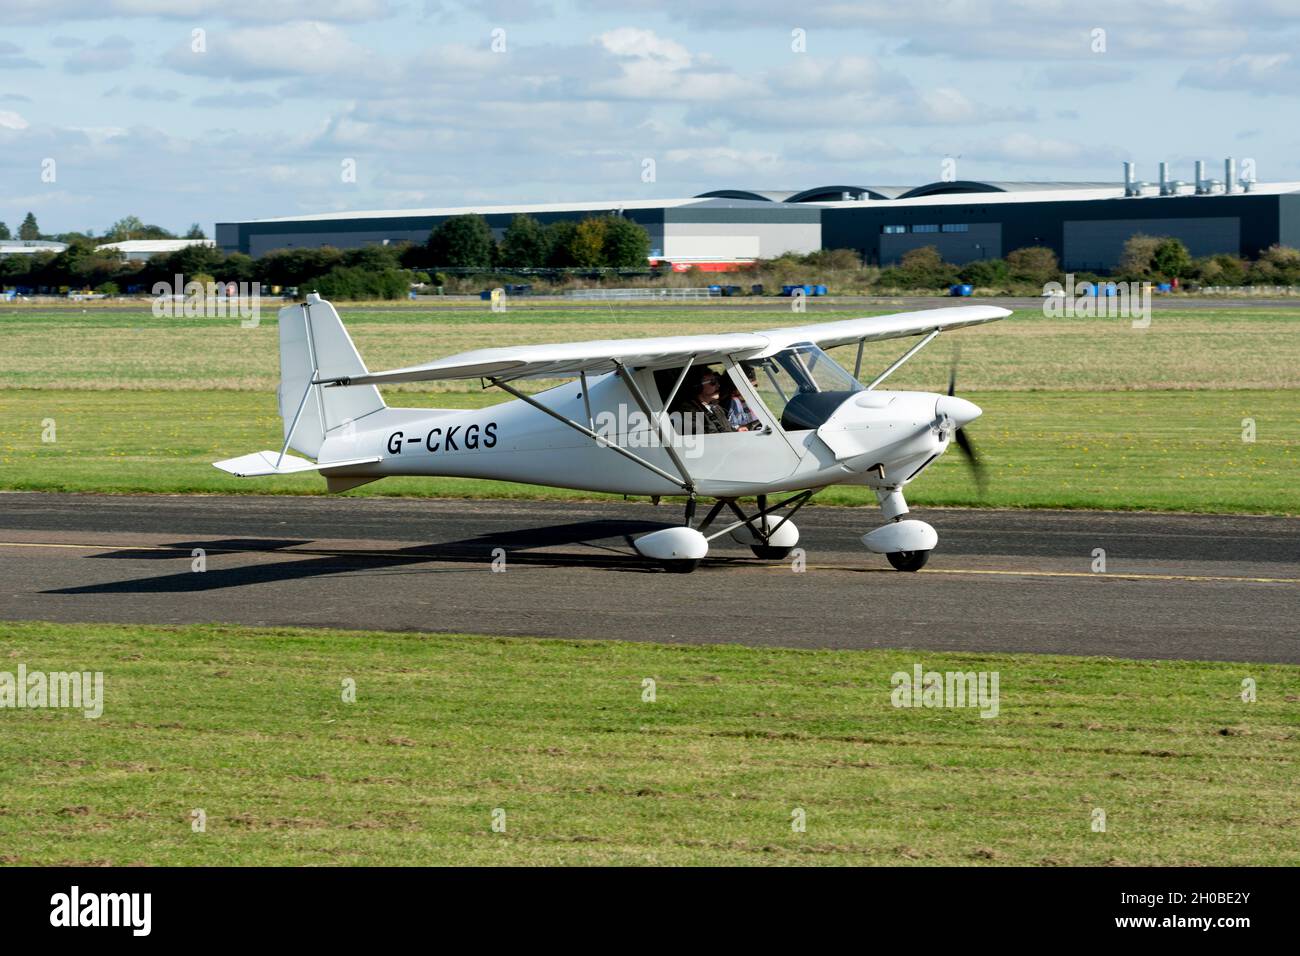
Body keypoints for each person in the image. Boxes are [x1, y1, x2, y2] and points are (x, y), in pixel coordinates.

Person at [670, 367, 735, 434]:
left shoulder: (716, 407)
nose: (718, 385)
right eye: (713, 382)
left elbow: (728, 429)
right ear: (698, 386)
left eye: (717, 381)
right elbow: (704, 439)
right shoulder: (688, 411)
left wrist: (738, 431)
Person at [724, 362, 763, 431]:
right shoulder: (734, 402)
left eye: (755, 386)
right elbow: (699, 440)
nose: (754, 390)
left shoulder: (747, 400)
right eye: (750, 387)